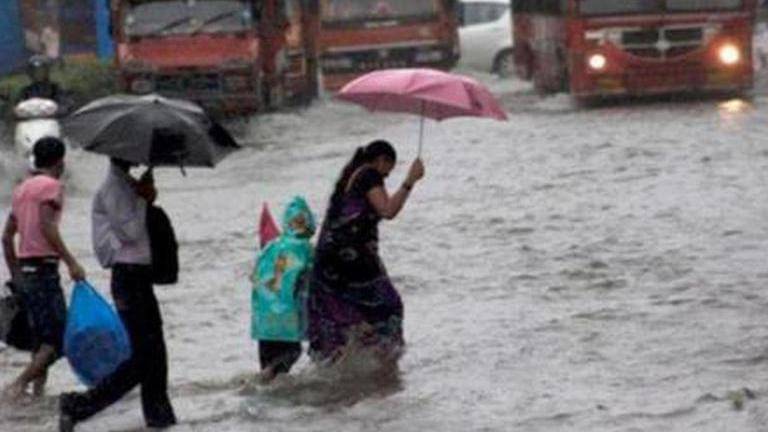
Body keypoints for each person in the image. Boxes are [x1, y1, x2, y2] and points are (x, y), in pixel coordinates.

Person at [59, 159, 176, 432]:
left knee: (156, 355)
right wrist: (144, 198)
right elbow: (131, 231)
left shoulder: (125, 185)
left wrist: (142, 194)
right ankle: (78, 405)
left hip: (139, 278)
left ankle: (160, 419)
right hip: (128, 278)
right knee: (143, 358)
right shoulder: (114, 189)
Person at [307, 140, 424, 367]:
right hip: (350, 258)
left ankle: (350, 366)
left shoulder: (351, 177)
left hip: (332, 259)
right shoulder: (369, 174)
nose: (386, 178)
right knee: (389, 306)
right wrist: (410, 181)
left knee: (352, 311)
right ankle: (384, 364)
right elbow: (387, 210)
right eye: (388, 171)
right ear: (381, 160)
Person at [1, 137, 86, 400]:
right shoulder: (52, 187)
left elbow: (6, 237)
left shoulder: (21, 189)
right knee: (58, 339)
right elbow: (48, 226)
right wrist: (71, 261)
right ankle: (18, 384)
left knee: (42, 339)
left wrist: (16, 275)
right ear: (60, 162)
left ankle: (37, 396)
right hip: (44, 270)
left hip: (26, 270)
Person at [251, 196, 316, 383]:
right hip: (286, 317)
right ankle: (267, 377)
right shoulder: (306, 249)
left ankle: (264, 381)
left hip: (263, 320)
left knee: (269, 366)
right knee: (291, 352)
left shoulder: (271, 246)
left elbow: (256, 278)